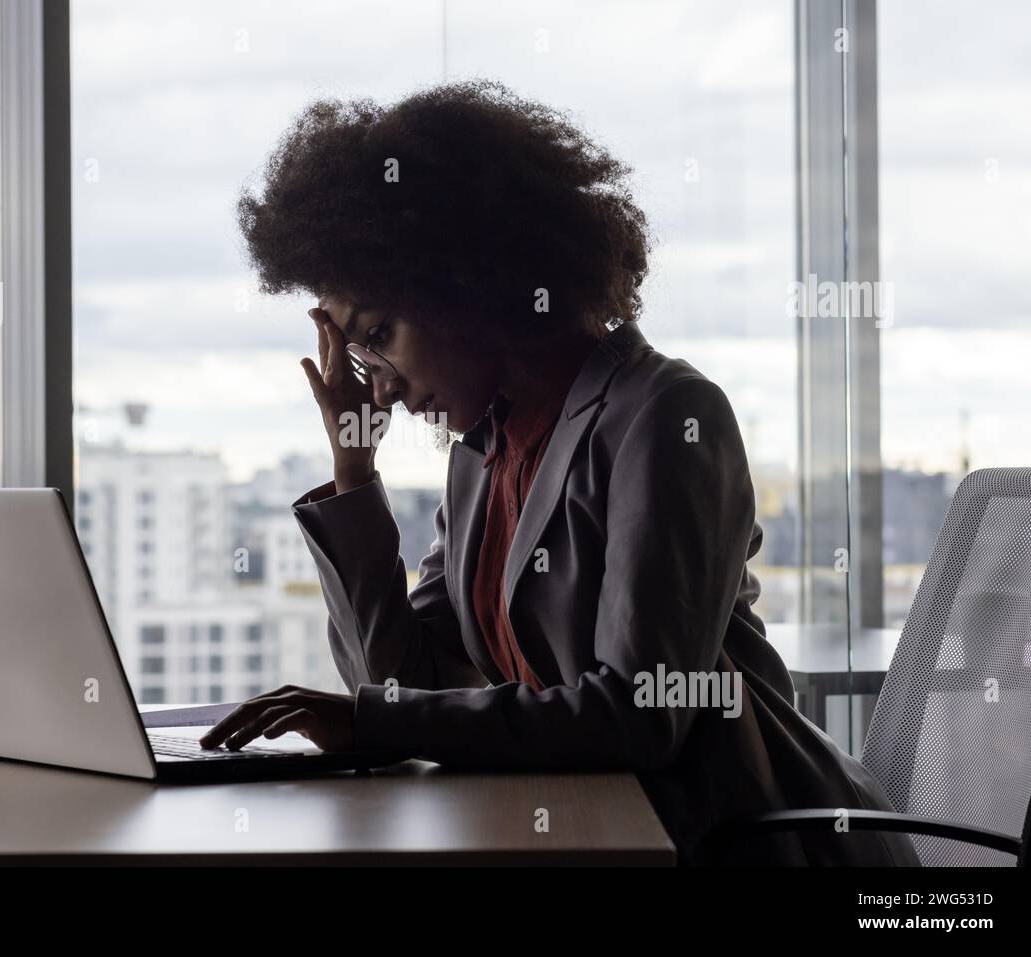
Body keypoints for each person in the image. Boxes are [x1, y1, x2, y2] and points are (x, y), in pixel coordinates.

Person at [201, 79, 919, 866]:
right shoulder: (483, 454)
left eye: (380, 336)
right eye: (361, 355)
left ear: (464, 278)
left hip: (746, 844)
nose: (380, 385)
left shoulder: (667, 415)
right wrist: (352, 470)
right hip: (593, 834)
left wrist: (374, 723)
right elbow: (408, 678)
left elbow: (638, 713)